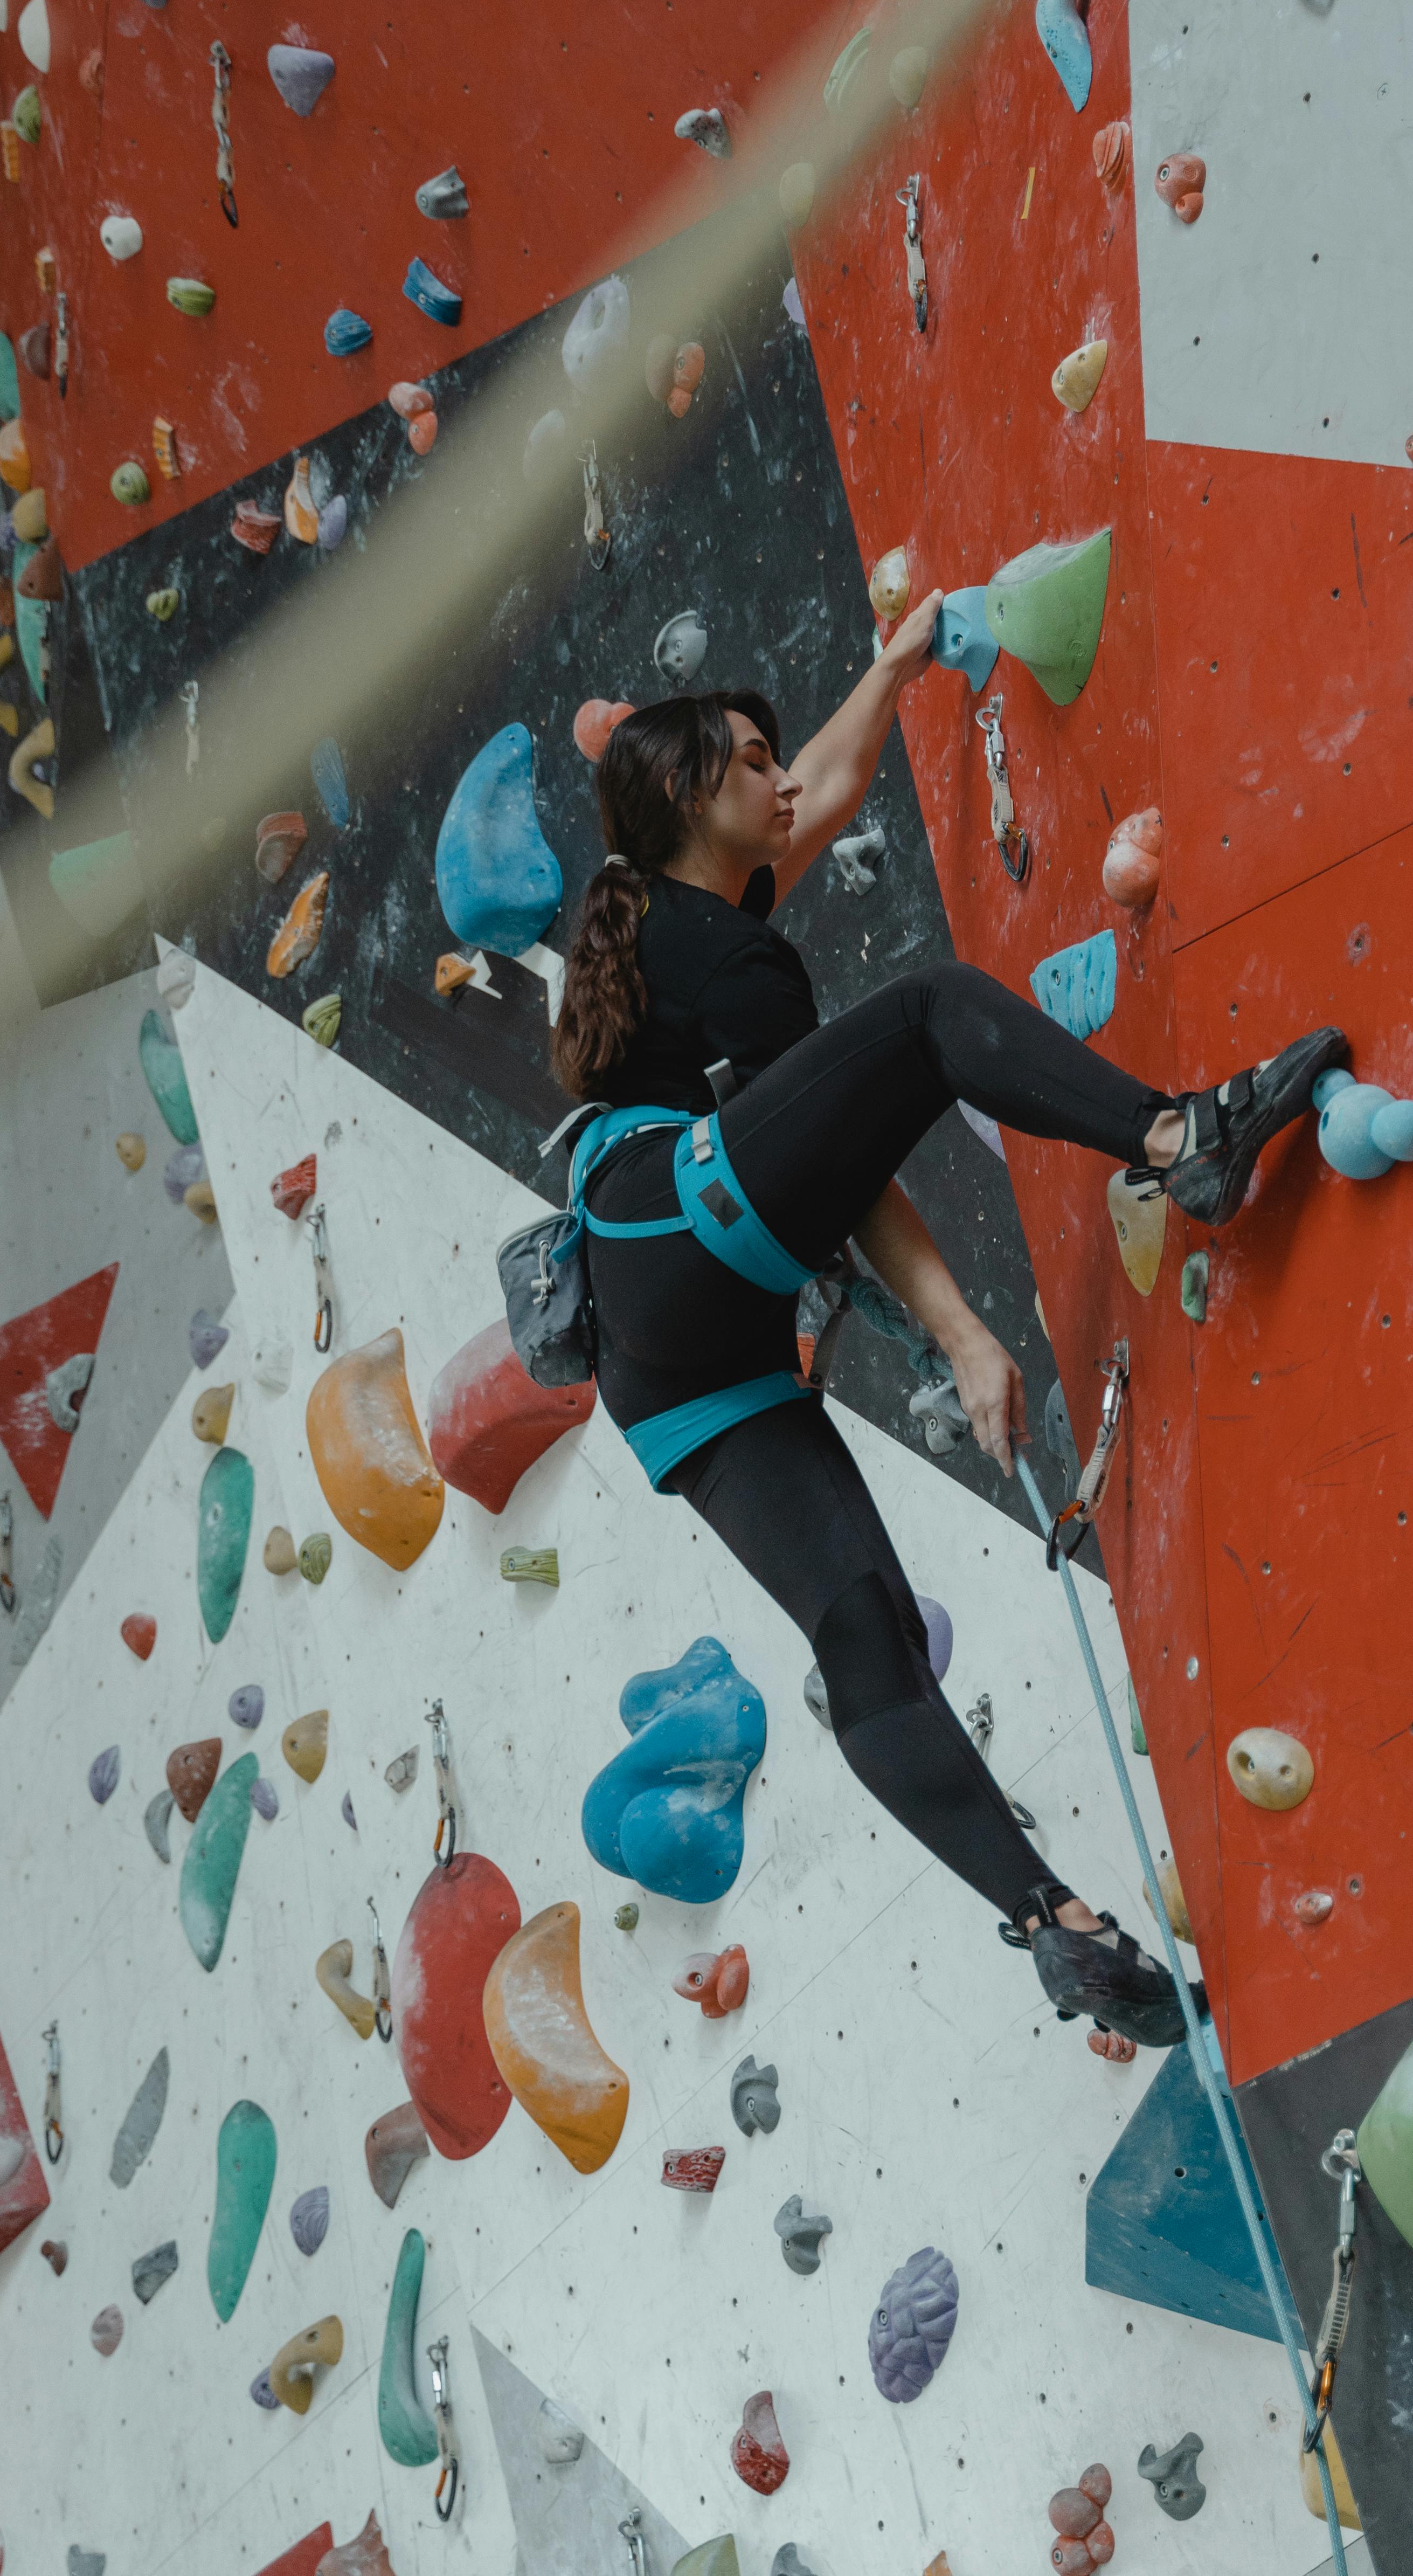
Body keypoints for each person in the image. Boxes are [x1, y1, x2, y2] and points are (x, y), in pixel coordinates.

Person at [553, 591, 1348, 2047]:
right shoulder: (729, 961)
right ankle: (1183, 1142)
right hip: (680, 1233)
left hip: (663, 1364)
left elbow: (827, 785)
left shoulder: (656, 925)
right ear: (682, 795)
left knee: (865, 1634)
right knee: (925, 1017)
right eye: (746, 758)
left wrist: (899, 665)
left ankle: (1051, 1920)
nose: (782, 779)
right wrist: (968, 1334)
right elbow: (845, 1186)